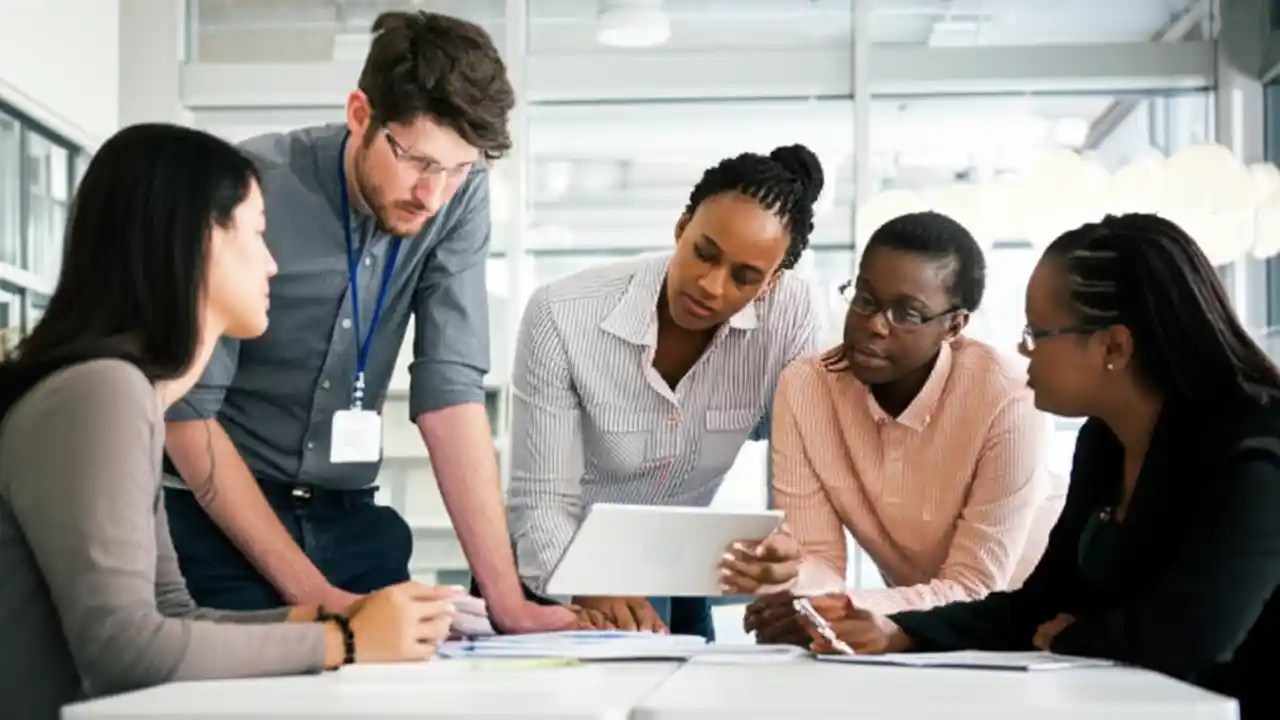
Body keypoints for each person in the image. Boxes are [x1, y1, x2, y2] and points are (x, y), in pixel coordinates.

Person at [0, 124, 458, 720]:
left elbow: (174, 617)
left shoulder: (123, 393)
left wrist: (340, 619)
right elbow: (123, 649)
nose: (272, 264)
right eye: (258, 232)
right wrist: (344, 643)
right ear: (196, 242)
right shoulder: (101, 392)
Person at [161, 11, 573, 633]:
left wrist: (508, 600)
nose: (433, 195)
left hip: (352, 519)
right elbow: (189, 417)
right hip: (216, 517)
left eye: (460, 169)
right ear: (361, 114)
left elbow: (450, 391)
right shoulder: (248, 187)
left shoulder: (459, 195)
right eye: (418, 161)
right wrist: (323, 600)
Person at [797, 213, 1280, 720]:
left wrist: (1074, 634)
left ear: (1113, 346)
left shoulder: (1254, 455)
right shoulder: (1105, 442)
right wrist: (899, 630)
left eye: (1037, 332)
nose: (1023, 350)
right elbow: (1038, 605)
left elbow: (1193, 636)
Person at [504, 145, 825, 638]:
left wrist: (790, 548)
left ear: (772, 281)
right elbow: (540, 498)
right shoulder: (562, 314)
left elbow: (800, 456)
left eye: (745, 277)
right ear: (681, 227)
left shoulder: (788, 314)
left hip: (673, 570)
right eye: (703, 253)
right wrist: (586, 582)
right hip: (553, 565)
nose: (712, 287)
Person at [718, 211, 1065, 644]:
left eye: (908, 313)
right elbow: (820, 562)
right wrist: (792, 584)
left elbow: (976, 589)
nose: (874, 325)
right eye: (865, 298)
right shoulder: (807, 388)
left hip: (1038, 627)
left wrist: (829, 608)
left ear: (953, 326)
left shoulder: (1008, 395)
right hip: (919, 629)